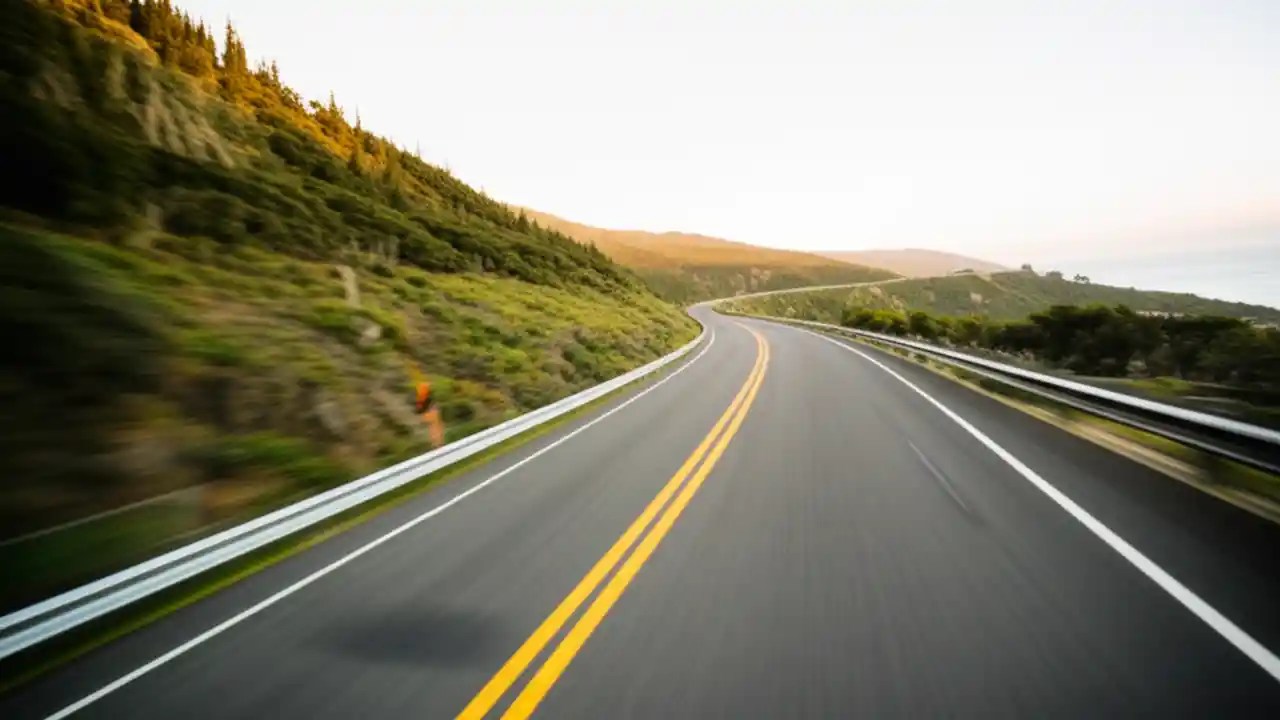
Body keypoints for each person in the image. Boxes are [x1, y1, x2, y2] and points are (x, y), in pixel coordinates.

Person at [415, 380, 445, 448]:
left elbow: (419, 409)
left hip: (428, 414)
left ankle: (436, 443)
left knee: (433, 428)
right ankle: (438, 443)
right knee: (436, 428)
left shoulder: (421, 398)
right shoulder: (425, 397)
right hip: (431, 413)